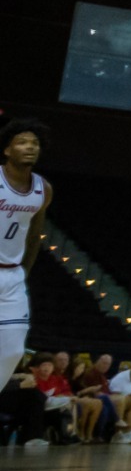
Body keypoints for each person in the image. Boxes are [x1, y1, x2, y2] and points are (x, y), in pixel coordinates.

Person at [0, 120, 52, 380]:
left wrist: (23, 274)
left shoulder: (43, 189)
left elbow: (34, 237)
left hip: (12, 276)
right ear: (7, 150)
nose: (30, 147)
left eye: (35, 143)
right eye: (22, 142)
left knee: (12, 351)